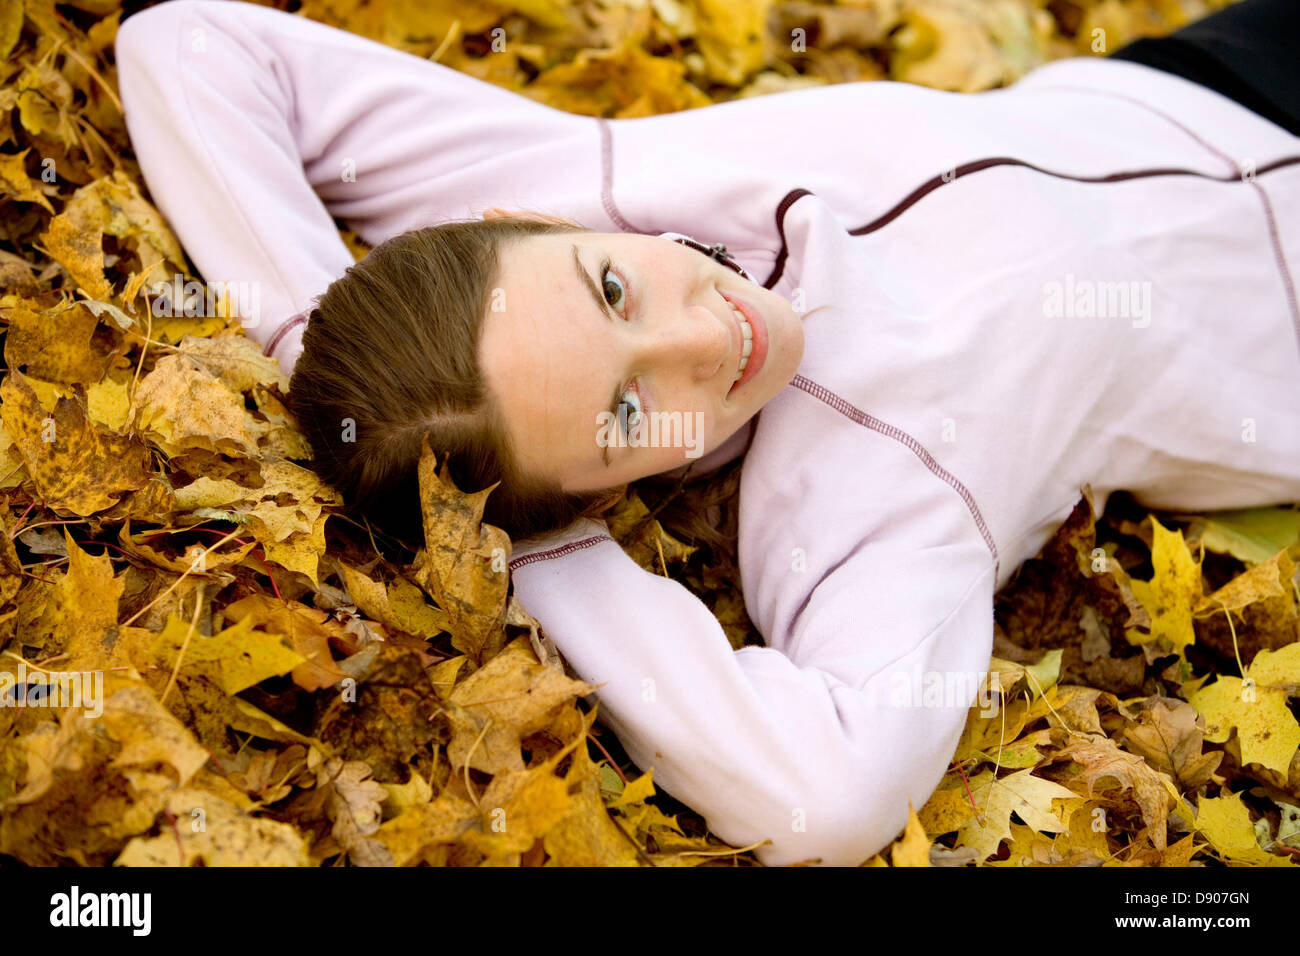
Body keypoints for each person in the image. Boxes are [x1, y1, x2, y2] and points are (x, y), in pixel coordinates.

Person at [115, 0, 1300, 866]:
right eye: (629, 415)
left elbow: (193, 44)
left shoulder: (577, 176)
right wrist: (534, 550)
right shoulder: (875, 506)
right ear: (602, 492)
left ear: (528, 220)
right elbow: (819, 797)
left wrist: (306, 333)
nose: (705, 342)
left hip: (1221, 69)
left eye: (613, 292)